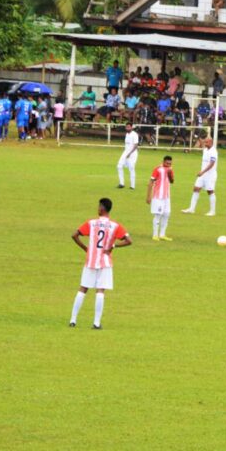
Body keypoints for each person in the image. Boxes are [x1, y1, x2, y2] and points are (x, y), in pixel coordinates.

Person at [69, 198, 132, 329]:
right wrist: (113, 246)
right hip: (105, 262)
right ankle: (96, 323)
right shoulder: (115, 225)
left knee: (83, 288)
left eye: (99, 206)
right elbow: (128, 241)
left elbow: (74, 235)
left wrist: (85, 248)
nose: (97, 208)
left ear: (102, 208)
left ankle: (73, 320)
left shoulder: (91, 223)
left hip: (91, 260)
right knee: (100, 291)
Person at [182, 136, 218, 216]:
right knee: (196, 189)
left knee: (210, 191)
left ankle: (212, 211)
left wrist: (202, 172)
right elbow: (202, 146)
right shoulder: (205, 149)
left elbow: (212, 164)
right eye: (205, 142)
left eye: (207, 142)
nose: (205, 143)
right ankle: (191, 209)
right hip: (202, 174)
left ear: (211, 142)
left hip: (210, 175)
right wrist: (199, 139)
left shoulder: (214, 151)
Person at [147, 156, 174, 241]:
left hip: (167, 196)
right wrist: (148, 196)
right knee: (158, 215)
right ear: (163, 162)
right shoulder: (157, 169)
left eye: (170, 163)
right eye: (167, 163)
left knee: (166, 214)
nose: (168, 165)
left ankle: (162, 234)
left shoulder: (170, 169)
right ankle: (155, 235)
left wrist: (170, 174)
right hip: (158, 196)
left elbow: (172, 181)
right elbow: (151, 182)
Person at [117, 123, 139, 189]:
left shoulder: (134, 134)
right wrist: (126, 153)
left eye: (129, 127)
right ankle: (121, 183)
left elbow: (136, 145)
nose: (127, 128)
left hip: (132, 153)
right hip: (125, 152)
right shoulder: (127, 134)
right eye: (126, 127)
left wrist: (130, 153)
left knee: (131, 168)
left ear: (132, 127)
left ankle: (132, 186)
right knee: (119, 166)